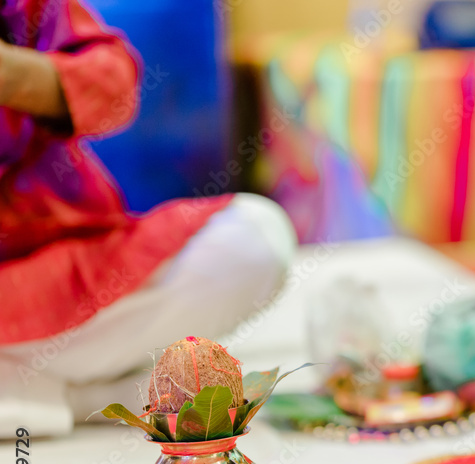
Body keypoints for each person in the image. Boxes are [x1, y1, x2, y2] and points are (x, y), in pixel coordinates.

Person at [0, 0, 296, 437]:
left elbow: (115, 88)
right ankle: (84, 393)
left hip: (71, 266)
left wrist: (16, 75)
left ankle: (41, 394)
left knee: (255, 237)